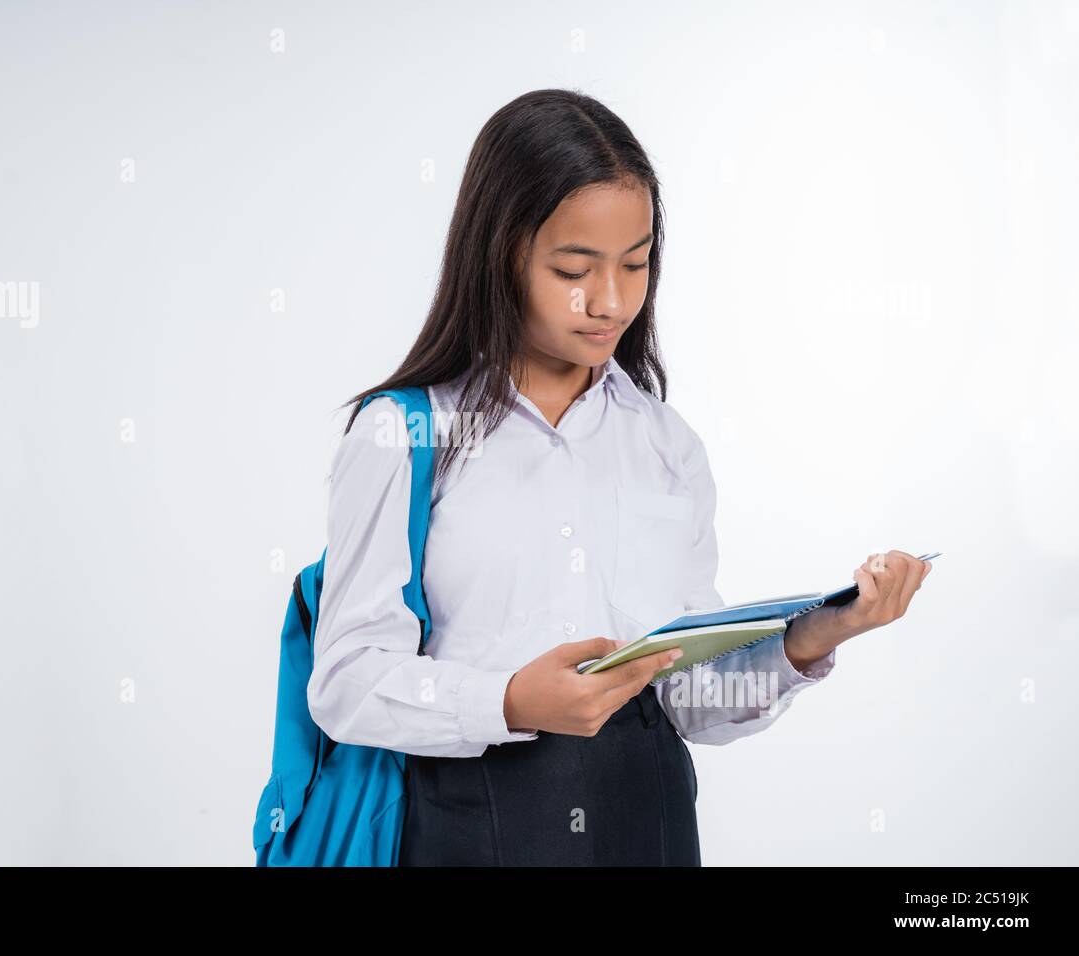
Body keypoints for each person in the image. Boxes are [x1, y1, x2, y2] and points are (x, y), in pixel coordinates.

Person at [305, 89, 933, 866]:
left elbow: (688, 700)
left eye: (635, 264)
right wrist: (507, 700)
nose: (611, 300)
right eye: (575, 267)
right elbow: (346, 682)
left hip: (652, 818)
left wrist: (814, 637)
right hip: (476, 823)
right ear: (501, 253)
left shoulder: (666, 445)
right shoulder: (404, 433)